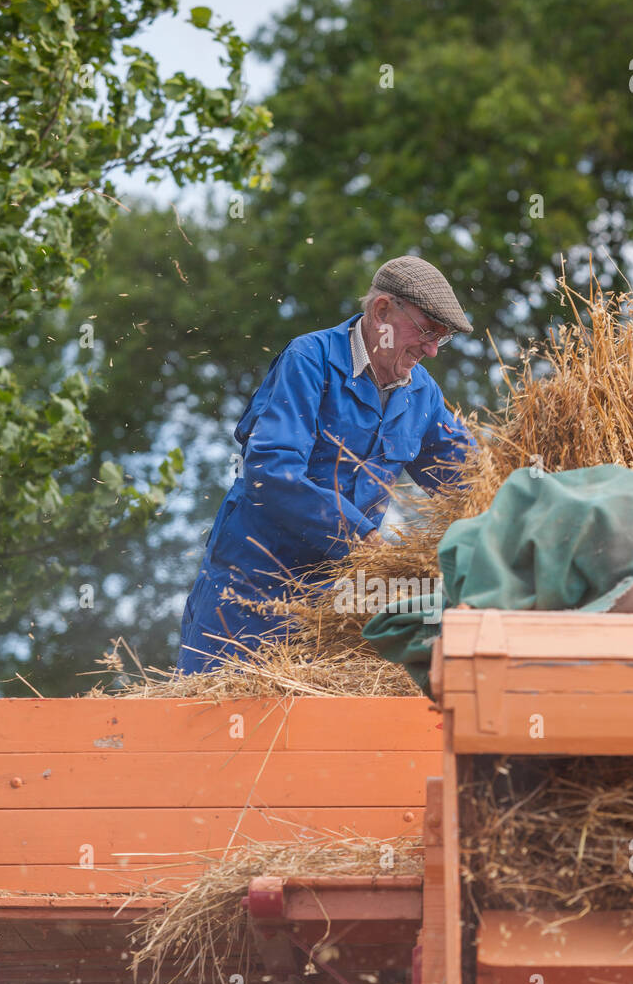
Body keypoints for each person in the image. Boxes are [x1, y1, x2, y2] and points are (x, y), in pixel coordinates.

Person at [176, 255, 474, 672]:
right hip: (251, 593)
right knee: (213, 725)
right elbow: (272, 473)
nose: (431, 350)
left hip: (336, 607)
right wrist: (364, 541)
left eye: (440, 340)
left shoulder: (422, 394)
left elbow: (469, 482)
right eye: (426, 331)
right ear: (382, 310)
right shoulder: (309, 360)